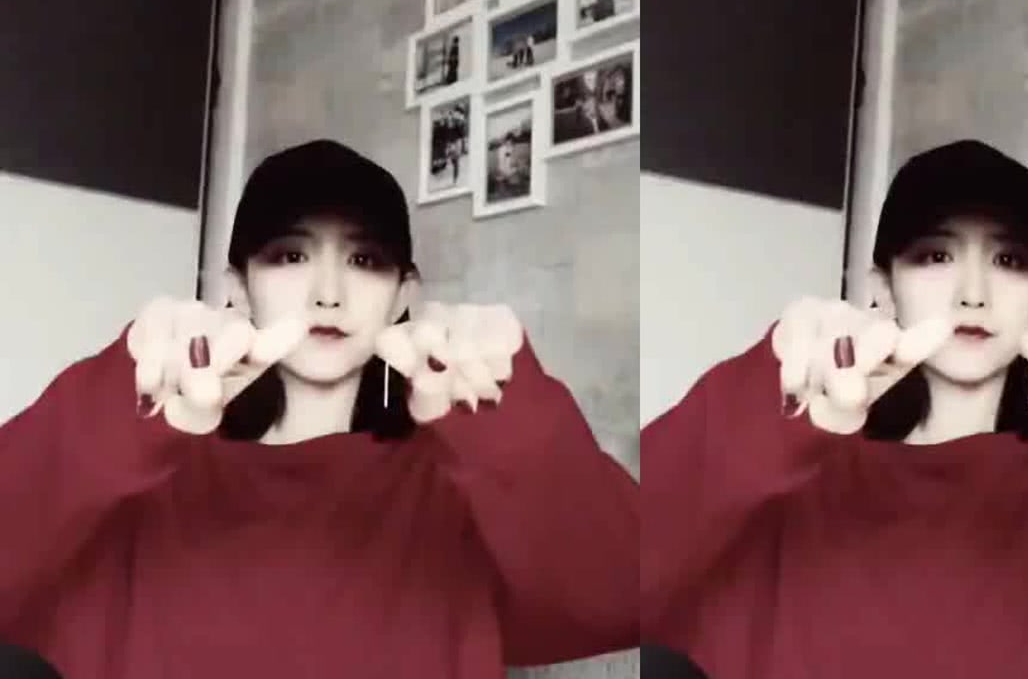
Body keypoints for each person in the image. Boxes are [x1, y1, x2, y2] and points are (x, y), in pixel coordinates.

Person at [0, 139, 638, 678]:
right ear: (237, 289)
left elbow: (624, 594)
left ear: (403, 296)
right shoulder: (135, 486)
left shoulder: (463, 486)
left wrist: (503, 413)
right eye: (290, 256)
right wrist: (120, 398)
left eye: (363, 260)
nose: (328, 294)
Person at [641, 139, 1028, 677]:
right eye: (936, 256)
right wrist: (766, 397)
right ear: (882, 288)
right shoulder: (786, 486)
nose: (973, 294)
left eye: (1009, 260)